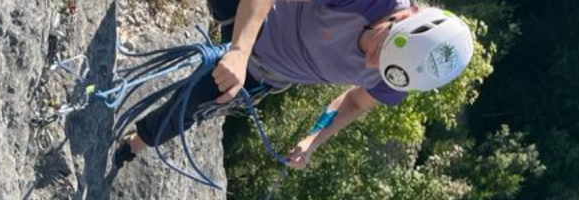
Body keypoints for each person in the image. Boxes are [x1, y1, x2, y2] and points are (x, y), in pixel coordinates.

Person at [115, 0, 475, 171]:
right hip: (253, 16)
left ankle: (131, 145)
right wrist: (239, 49)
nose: (369, 64)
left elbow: (356, 102)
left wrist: (313, 139)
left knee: (186, 110)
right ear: (403, 18)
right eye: (379, 49)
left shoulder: (396, 78)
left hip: (262, 71)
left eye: (381, 67)